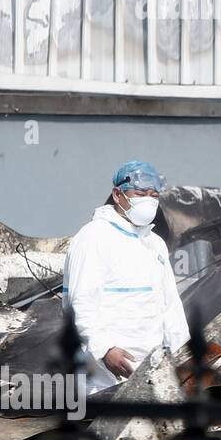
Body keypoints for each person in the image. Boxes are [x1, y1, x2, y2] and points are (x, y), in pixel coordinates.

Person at [62, 161, 189, 393]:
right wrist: (105, 349)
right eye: (140, 193)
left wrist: (182, 352)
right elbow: (81, 303)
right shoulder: (94, 237)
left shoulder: (155, 244)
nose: (148, 200)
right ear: (117, 195)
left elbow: (170, 304)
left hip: (153, 368)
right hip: (103, 372)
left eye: (153, 195)